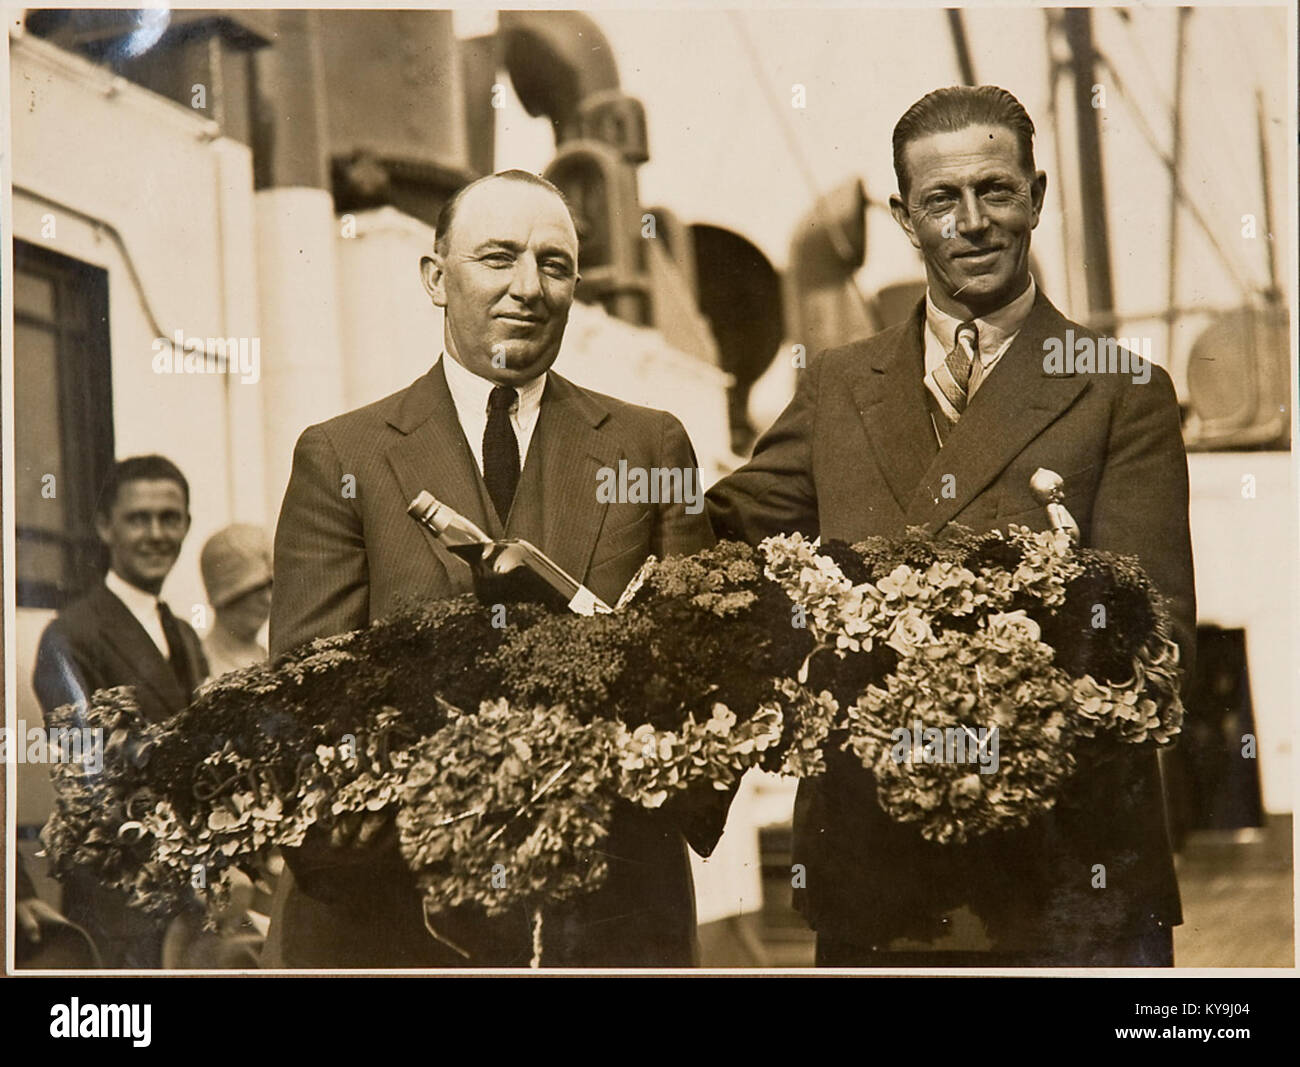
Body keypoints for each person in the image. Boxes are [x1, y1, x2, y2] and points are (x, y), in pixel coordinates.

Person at [706, 86, 1196, 968]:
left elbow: (1154, 636)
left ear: (1037, 196)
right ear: (904, 216)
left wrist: (970, 733)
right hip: (876, 884)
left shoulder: (1122, 390)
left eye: (996, 191)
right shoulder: (836, 387)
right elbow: (720, 538)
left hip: (1068, 889)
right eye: (941, 199)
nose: (972, 222)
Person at [266, 169, 719, 968]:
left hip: (606, 921)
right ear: (436, 278)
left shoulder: (653, 446)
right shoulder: (343, 455)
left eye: (555, 264)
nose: (528, 287)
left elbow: (701, 685)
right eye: (498, 257)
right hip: (403, 925)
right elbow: (309, 694)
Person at [33, 454, 209, 968]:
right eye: (138, 518)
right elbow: (88, 772)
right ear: (104, 526)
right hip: (119, 900)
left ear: (187, 525)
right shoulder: (70, 635)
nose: (156, 533)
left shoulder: (184, 635)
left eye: (170, 518)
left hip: (188, 893)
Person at [199, 523, 273, 678]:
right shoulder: (197, 666)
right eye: (255, 589)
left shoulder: (273, 659)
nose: (268, 599)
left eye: (271, 587)